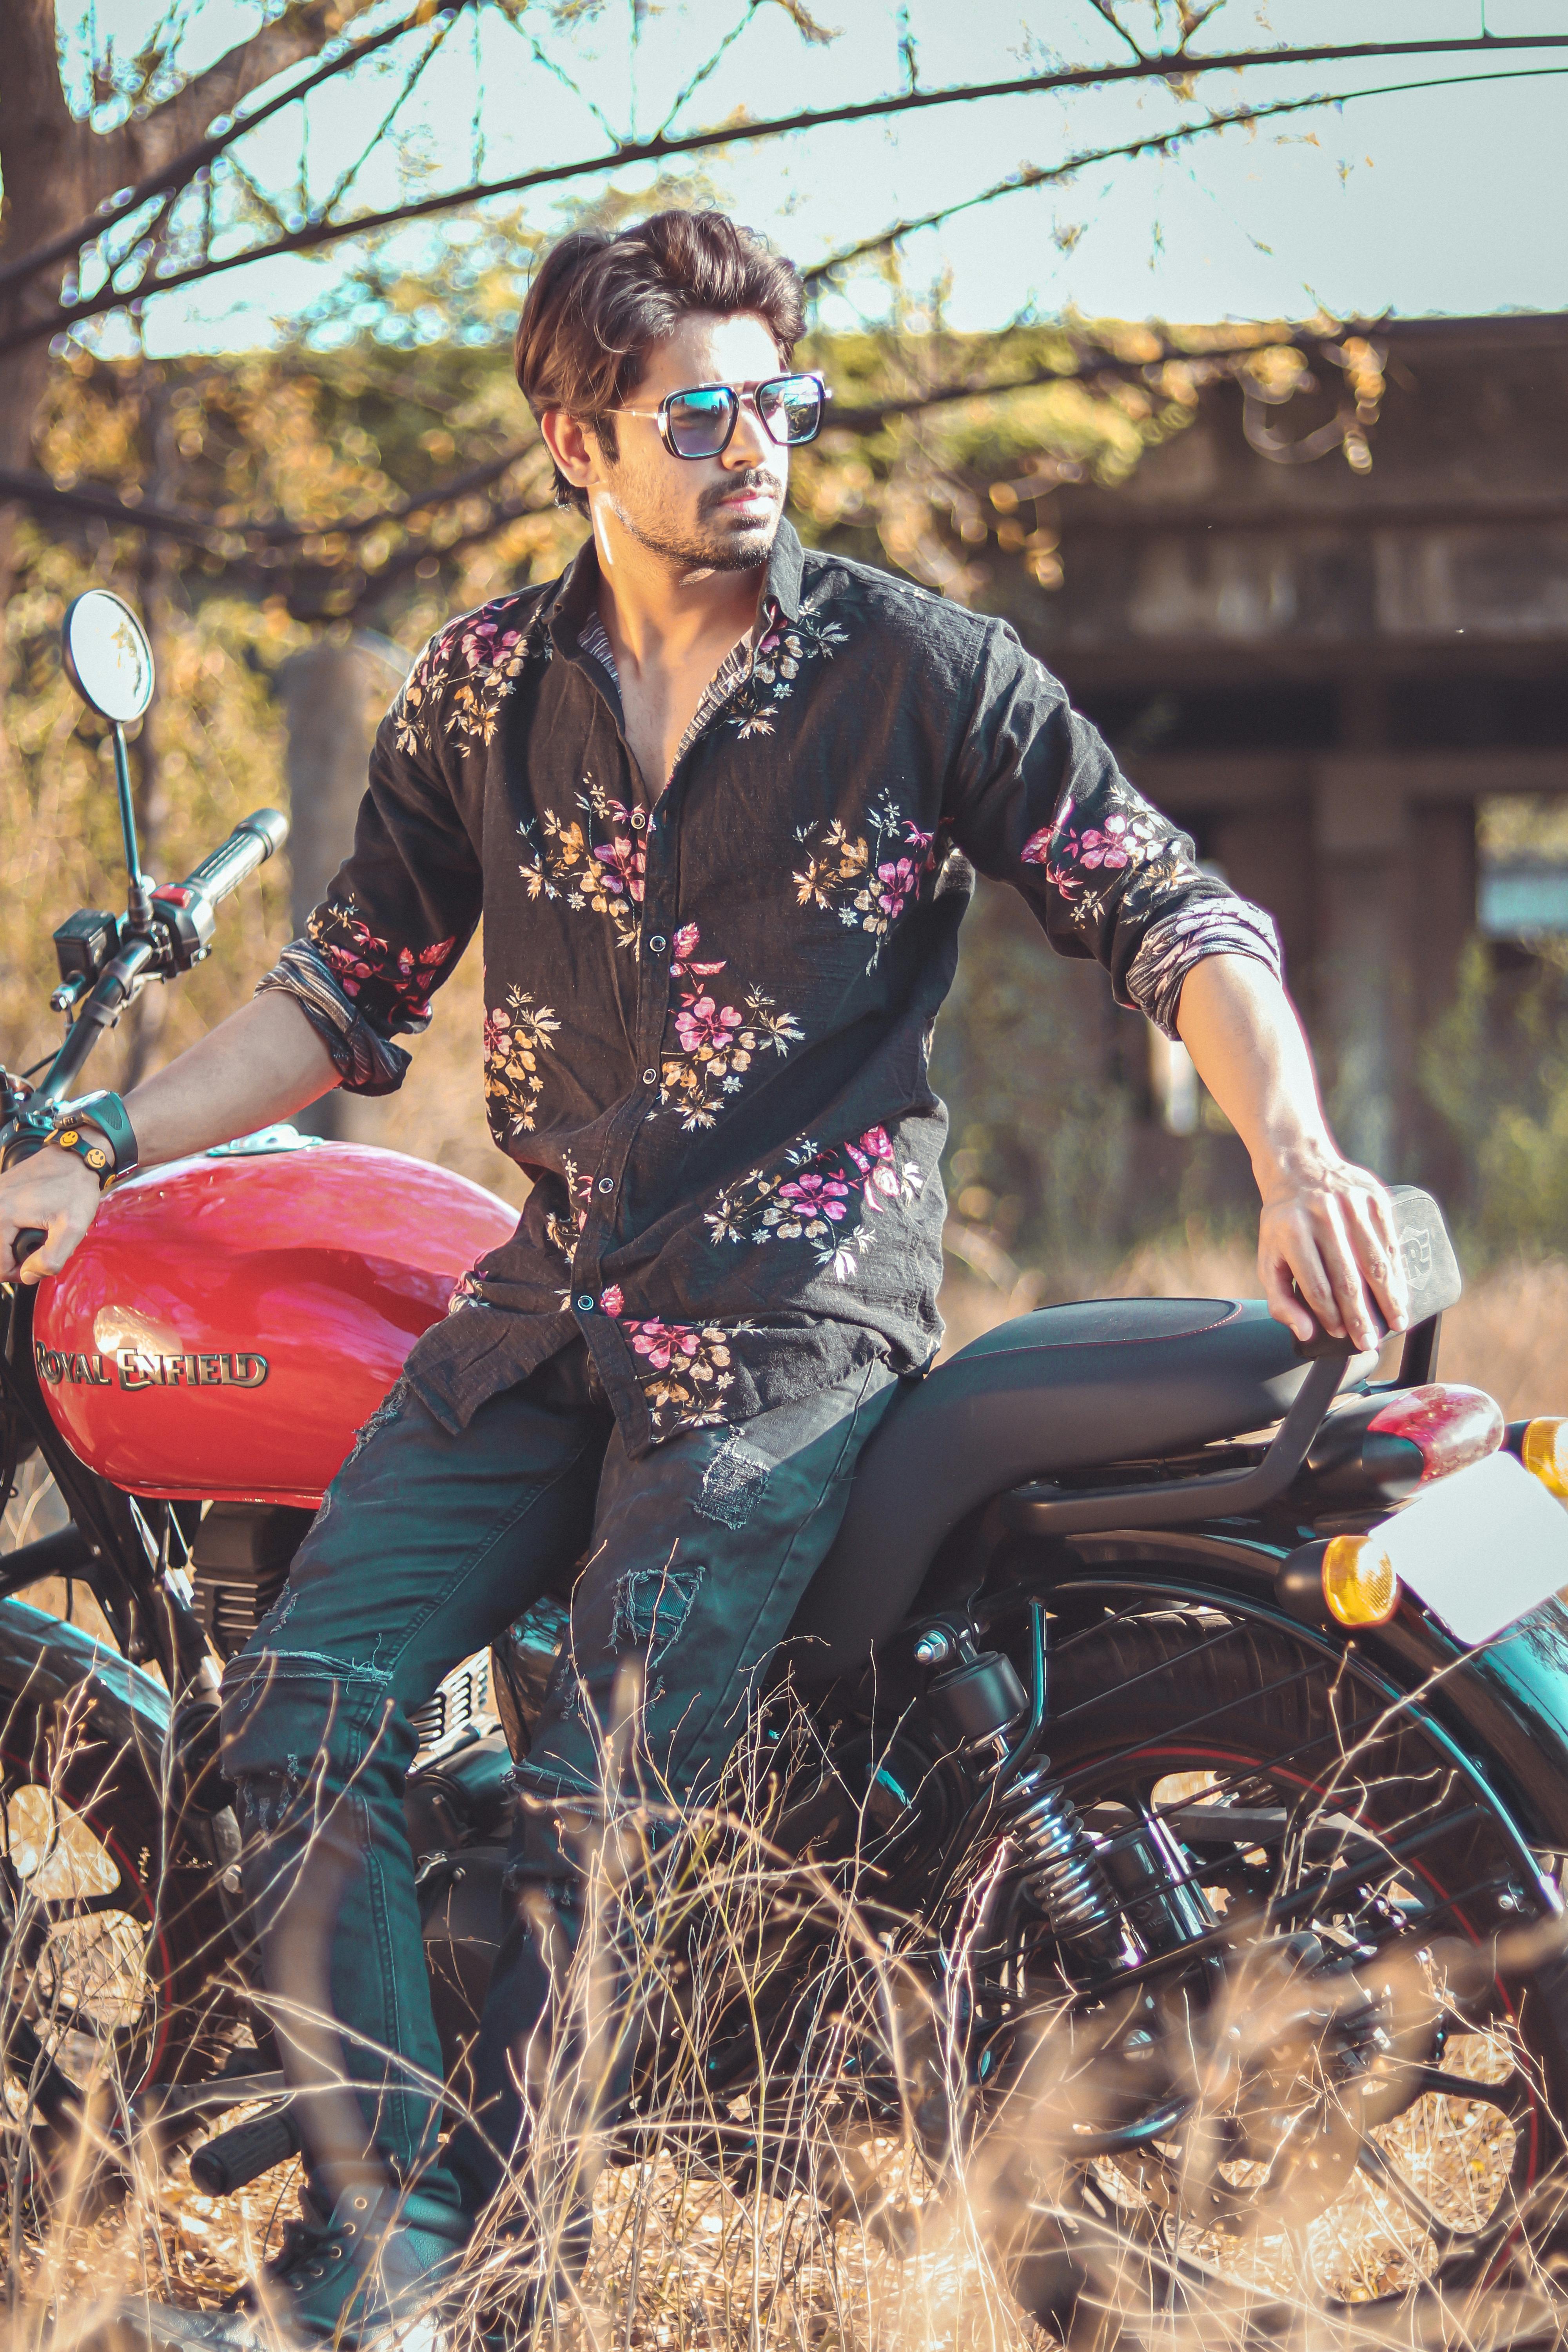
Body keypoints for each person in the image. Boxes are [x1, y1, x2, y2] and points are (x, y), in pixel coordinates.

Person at [0, 210, 1408, 2348]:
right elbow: (341, 987)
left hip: (792, 1324)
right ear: (580, 439)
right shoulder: (486, 685)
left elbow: (1175, 916)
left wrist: (1294, 1146)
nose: (760, 443)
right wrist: (97, 1146)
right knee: (301, 1718)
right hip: (550, 1305)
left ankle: (520, 2277)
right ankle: (384, 2249)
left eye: (785, 398)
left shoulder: (921, 671)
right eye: (704, 409)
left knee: (606, 1798)